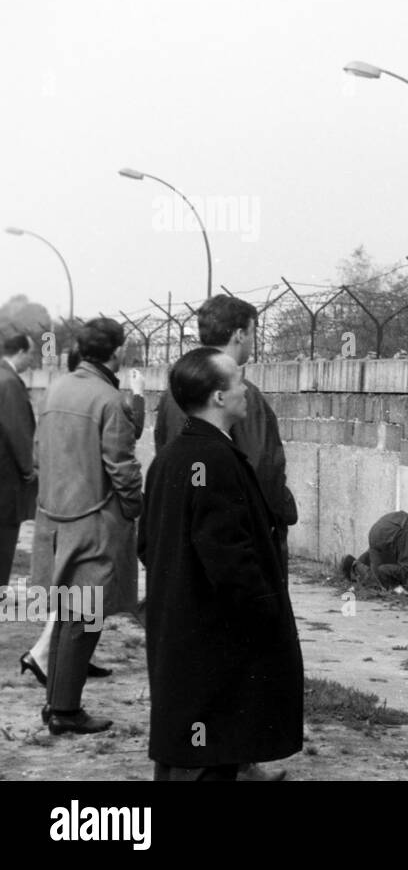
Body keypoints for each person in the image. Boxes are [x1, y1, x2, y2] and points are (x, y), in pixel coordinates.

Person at [139, 346, 303, 781]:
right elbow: (228, 558)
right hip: (214, 639)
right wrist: (266, 611)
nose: (245, 387)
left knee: (191, 750)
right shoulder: (212, 459)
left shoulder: (172, 457)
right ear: (217, 396)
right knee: (207, 756)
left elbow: (148, 545)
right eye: (236, 380)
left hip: (184, 631)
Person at [29, 319, 142, 735]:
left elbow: (39, 452)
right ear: (116, 352)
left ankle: (58, 705)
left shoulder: (57, 388)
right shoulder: (109, 399)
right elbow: (123, 466)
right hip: (95, 522)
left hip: (56, 518)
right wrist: (133, 508)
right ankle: (65, 710)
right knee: (86, 618)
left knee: (69, 616)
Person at [154, 295, 296, 576]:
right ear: (240, 334)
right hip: (236, 540)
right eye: (253, 333)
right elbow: (261, 469)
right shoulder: (242, 395)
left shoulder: (173, 392)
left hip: (181, 530)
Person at [0, 332, 36, 595]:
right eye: (31, 354)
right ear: (21, 351)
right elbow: (18, 431)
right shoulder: (10, 382)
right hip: (5, 483)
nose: (31, 361)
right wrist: (29, 470)